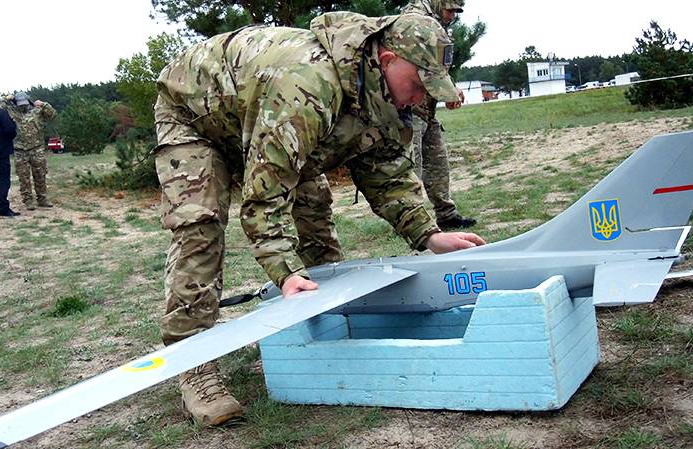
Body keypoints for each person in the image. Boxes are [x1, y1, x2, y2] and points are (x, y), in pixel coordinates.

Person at [153, 12, 486, 425]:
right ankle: (193, 362)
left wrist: (430, 235)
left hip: (258, 115)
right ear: (385, 59)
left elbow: (389, 173)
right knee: (199, 226)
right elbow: (265, 195)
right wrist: (286, 272)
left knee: (314, 203)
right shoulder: (306, 84)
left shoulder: (382, 93)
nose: (419, 98)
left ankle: (324, 320)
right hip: (194, 115)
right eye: (418, 85)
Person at [401, 0, 477, 231]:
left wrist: (449, 89)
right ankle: (412, 221)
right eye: (450, 9)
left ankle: (446, 214)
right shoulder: (414, 21)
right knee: (412, 169)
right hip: (409, 108)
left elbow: (438, 67)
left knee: (438, 164)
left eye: (456, 11)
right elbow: (417, 65)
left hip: (427, 110)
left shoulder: (435, 22)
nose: (453, 15)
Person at [0, 92, 56, 210]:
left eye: (24, 103)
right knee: (23, 177)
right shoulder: (11, 110)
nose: (22, 106)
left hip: (37, 148)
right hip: (20, 150)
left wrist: (44, 104)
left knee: (40, 175)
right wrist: (6, 98)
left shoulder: (38, 110)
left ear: (28, 101)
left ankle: (42, 199)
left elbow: (53, 115)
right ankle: (28, 200)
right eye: (20, 104)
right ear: (15, 103)